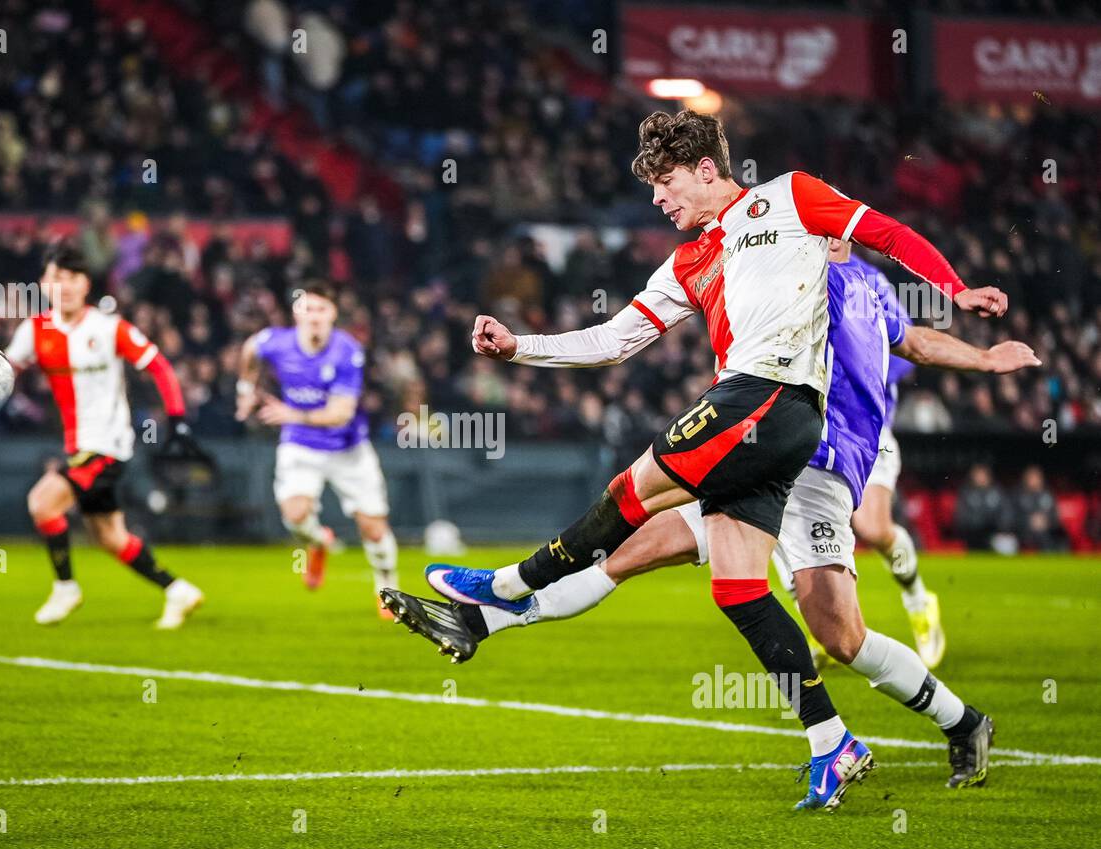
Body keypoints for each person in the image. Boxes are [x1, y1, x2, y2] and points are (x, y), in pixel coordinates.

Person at [418, 109, 1007, 810]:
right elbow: (614, 340)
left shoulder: (788, 198)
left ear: (706, 169)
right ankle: (849, 741)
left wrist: (956, 289)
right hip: (770, 429)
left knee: (634, 492)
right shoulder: (687, 261)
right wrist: (521, 347)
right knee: (756, 595)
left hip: (770, 400)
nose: (659, 201)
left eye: (666, 183)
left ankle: (508, 587)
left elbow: (882, 230)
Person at [5, 240, 205, 628]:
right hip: (79, 446)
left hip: (108, 446)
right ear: (44, 285)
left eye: (71, 278)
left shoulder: (109, 328)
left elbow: (159, 367)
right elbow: (3, 376)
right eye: (54, 278)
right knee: (110, 537)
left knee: (42, 503)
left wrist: (177, 421)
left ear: (85, 284)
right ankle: (177, 590)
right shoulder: (34, 330)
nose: (63, 286)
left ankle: (66, 588)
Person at [236, 280, 399, 617]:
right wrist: (245, 388)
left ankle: (387, 586)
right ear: (297, 314)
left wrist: (290, 413)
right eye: (308, 309)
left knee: (373, 528)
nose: (314, 317)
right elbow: (250, 348)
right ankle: (318, 542)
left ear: (333, 314)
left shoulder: (347, 350)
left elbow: (341, 413)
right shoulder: (277, 342)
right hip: (301, 446)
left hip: (347, 449)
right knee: (294, 517)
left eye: (321, 310)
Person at [847, 261, 946, 667]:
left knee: (871, 527)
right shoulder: (794, 265)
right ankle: (822, 625)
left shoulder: (870, 283)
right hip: (808, 432)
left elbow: (905, 351)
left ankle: (918, 599)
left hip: (868, 433)